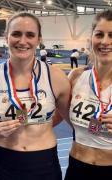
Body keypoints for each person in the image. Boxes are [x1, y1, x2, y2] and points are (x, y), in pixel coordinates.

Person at [0, 12, 71, 180]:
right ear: (6, 37)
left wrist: (44, 124)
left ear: (39, 39)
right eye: (16, 34)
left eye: (30, 35)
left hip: (44, 163)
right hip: (3, 162)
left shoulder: (57, 78)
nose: (22, 41)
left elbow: (69, 118)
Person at [54, 10, 112, 180]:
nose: (105, 41)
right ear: (91, 38)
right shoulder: (76, 76)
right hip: (77, 168)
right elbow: (57, 116)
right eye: (99, 34)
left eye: (111, 35)